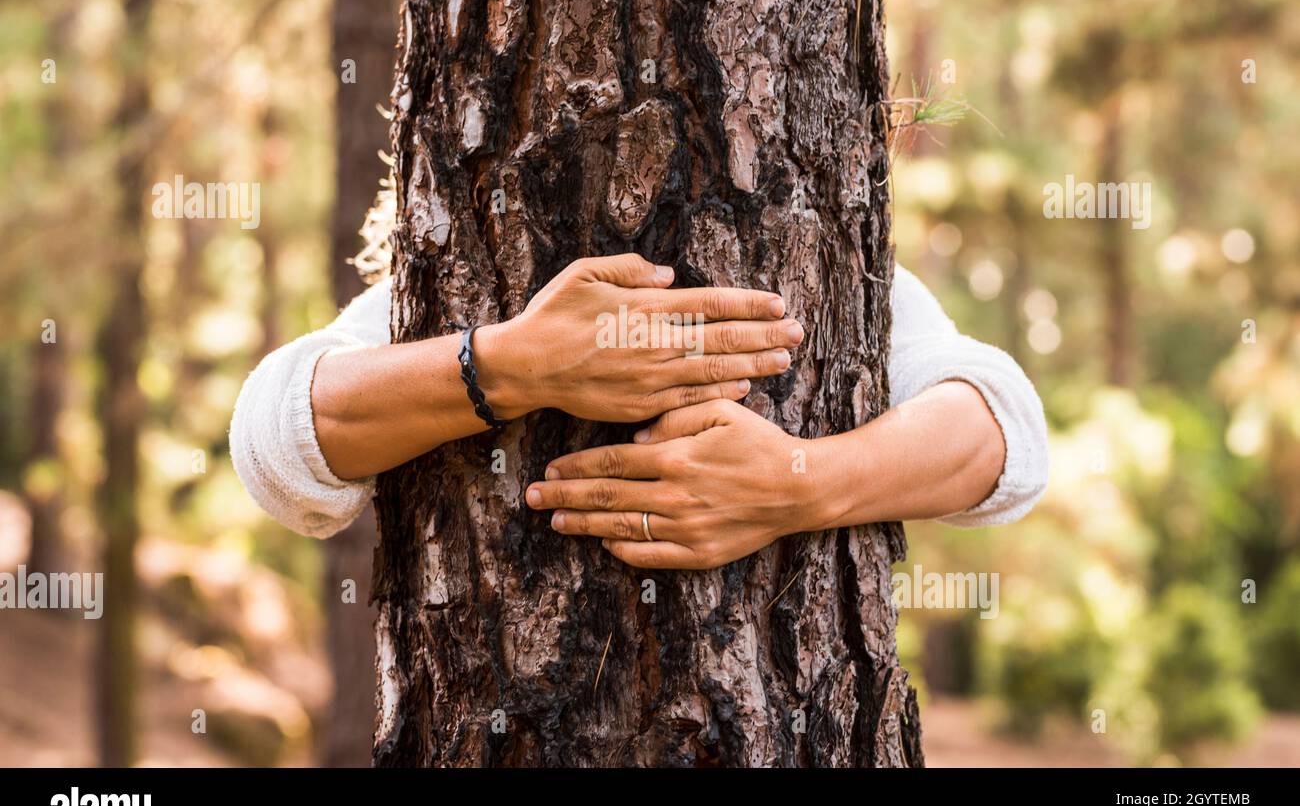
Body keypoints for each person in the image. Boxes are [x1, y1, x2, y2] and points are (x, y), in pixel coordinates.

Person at [230, 253, 1048, 568]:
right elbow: (273, 442)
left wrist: (796, 484)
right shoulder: (454, 261)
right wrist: (516, 363)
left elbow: (1003, 432)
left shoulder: (838, 266)